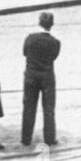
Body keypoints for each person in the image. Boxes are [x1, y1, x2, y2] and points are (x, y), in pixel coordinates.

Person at [22, 11, 61, 147]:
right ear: (51, 25)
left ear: (39, 22)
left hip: (31, 76)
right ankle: (49, 139)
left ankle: (25, 138)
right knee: (49, 109)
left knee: (28, 107)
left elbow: (24, 52)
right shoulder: (55, 42)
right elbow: (54, 57)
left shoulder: (30, 38)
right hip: (47, 77)